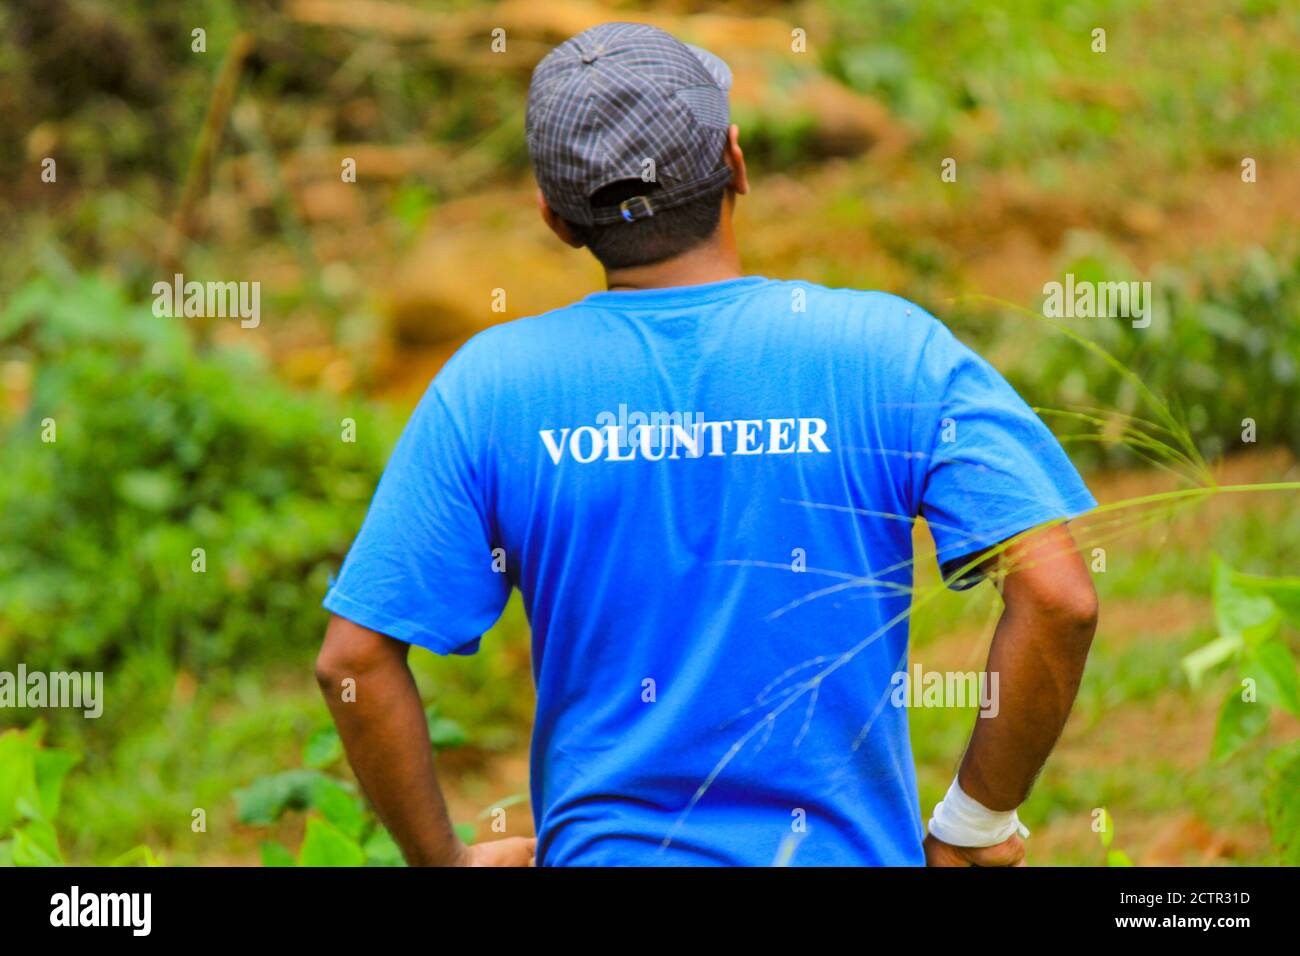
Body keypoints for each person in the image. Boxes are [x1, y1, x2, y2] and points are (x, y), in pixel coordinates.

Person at [315, 21, 1099, 867]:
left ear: (555, 217)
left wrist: (449, 862)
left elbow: (354, 661)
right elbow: (1059, 597)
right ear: (736, 161)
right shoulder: (887, 348)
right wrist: (973, 825)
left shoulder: (489, 386)